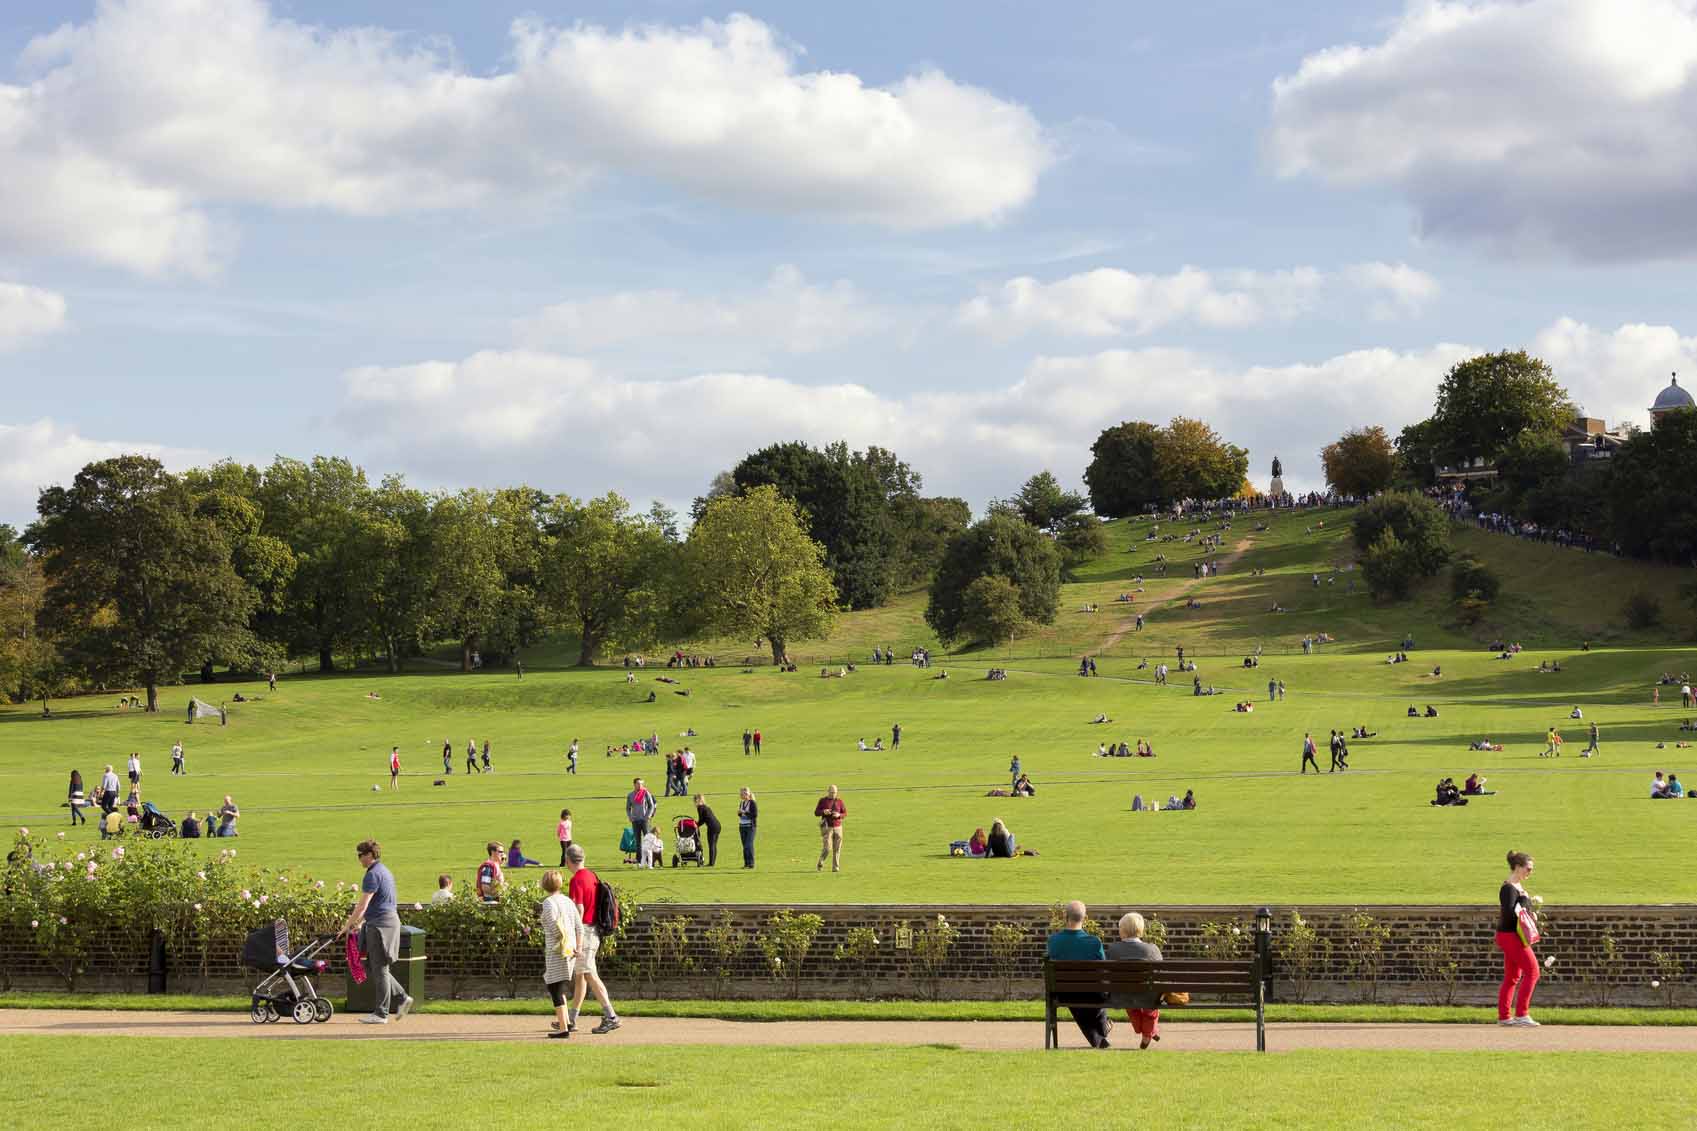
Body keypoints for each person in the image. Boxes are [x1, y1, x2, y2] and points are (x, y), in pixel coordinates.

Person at [341, 839, 411, 1025]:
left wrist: (348, 925)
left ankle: (381, 1013)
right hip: (383, 922)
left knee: (379, 969)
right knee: (374, 966)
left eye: (361, 855)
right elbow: (377, 903)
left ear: (370, 855)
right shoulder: (384, 871)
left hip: (380, 926)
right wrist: (360, 922)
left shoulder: (372, 874)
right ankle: (403, 998)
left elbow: (363, 904)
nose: (359, 859)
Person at [565, 844, 621, 1034]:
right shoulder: (591, 876)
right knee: (580, 975)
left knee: (589, 974)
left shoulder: (576, 880)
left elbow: (578, 909)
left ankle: (611, 1016)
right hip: (594, 930)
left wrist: (573, 934)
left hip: (585, 932)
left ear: (567, 860)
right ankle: (571, 1019)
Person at [1046, 900, 1110, 1048]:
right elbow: (1103, 970)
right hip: (1092, 993)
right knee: (1092, 994)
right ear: (1085, 918)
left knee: (1075, 995)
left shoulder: (1053, 941)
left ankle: (1100, 1037)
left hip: (1063, 992)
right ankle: (1102, 1028)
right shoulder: (1094, 942)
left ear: (1065, 916)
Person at [1105, 911, 1164, 1049]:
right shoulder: (1152, 949)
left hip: (1121, 996)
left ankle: (1146, 1031)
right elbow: (1160, 974)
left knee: (1132, 1003)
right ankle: (1149, 1032)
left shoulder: (1113, 950)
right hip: (1148, 996)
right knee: (1151, 1008)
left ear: (1122, 931)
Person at [1496, 850, 1540, 1026]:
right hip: (1510, 936)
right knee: (1533, 971)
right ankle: (1522, 1014)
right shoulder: (1509, 888)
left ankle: (1504, 1017)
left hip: (1511, 935)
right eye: (1528, 868)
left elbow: (1519, 913)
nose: (1530, 872)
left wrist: (1530, 914)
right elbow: (1509, 913)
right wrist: (1523, 900)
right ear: (1518, 867)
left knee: (1513, 976)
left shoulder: (1518, 888)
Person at [538, 869, 580, 1039]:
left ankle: (563, 1028)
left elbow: (554, 926)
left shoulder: (548, 903)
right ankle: (566, 1022)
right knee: (558, 986)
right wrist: (577, 945)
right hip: (569, 949)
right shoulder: (568, 901)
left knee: (554, 987)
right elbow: (578, 925)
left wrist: (563, 941)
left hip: (558, 950)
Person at [626, 778, 657, 868]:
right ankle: (639, 860)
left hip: (645, 820)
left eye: (641, 784)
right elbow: (628, 808)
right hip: (635, 820)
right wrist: (630, 817)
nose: (640, 786)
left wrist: (648, 816)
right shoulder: (630, 795)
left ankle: (649, 860)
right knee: (638, 841)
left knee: (647, 840)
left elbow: (651, 805)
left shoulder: (646, 793)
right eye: (638, 784)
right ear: (634, 784)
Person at [815, 784, 846, 872]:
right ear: (828, 791)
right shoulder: (823, 801)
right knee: (827, 847)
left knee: (837, 848)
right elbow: (816, 812)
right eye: (832, 792)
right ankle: (821, 862)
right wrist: (824, 812)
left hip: (838, 827)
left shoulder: (840, 801)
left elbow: (845, 813)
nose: (833, 794)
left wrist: (839, 815)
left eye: (835, 792)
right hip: (827, 828)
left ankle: (835, 867)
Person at [693, 794, 722, 866]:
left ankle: (711, 863)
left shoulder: (700, 807)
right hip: (717, 825)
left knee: (711, 845)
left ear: (697, 800)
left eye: (695, 800)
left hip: (712, 827)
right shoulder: (706, 807)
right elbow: (704, 819)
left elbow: (702, 820)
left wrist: (696, 825)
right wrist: (697, 824)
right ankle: (712, 862)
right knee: (714, 845)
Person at [738, 787, 758, 868]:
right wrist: (739, 813)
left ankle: (751, 863)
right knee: (745, 846)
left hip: (750, 827)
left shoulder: (752, 803)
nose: (742, 795)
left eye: (744, 793)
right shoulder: (742, 803)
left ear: (748, 794)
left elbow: (754, 815)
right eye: (741, 794)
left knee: (748, 845)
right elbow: (740, 815)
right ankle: (746, 863)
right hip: (742, 826)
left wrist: (745, 812)